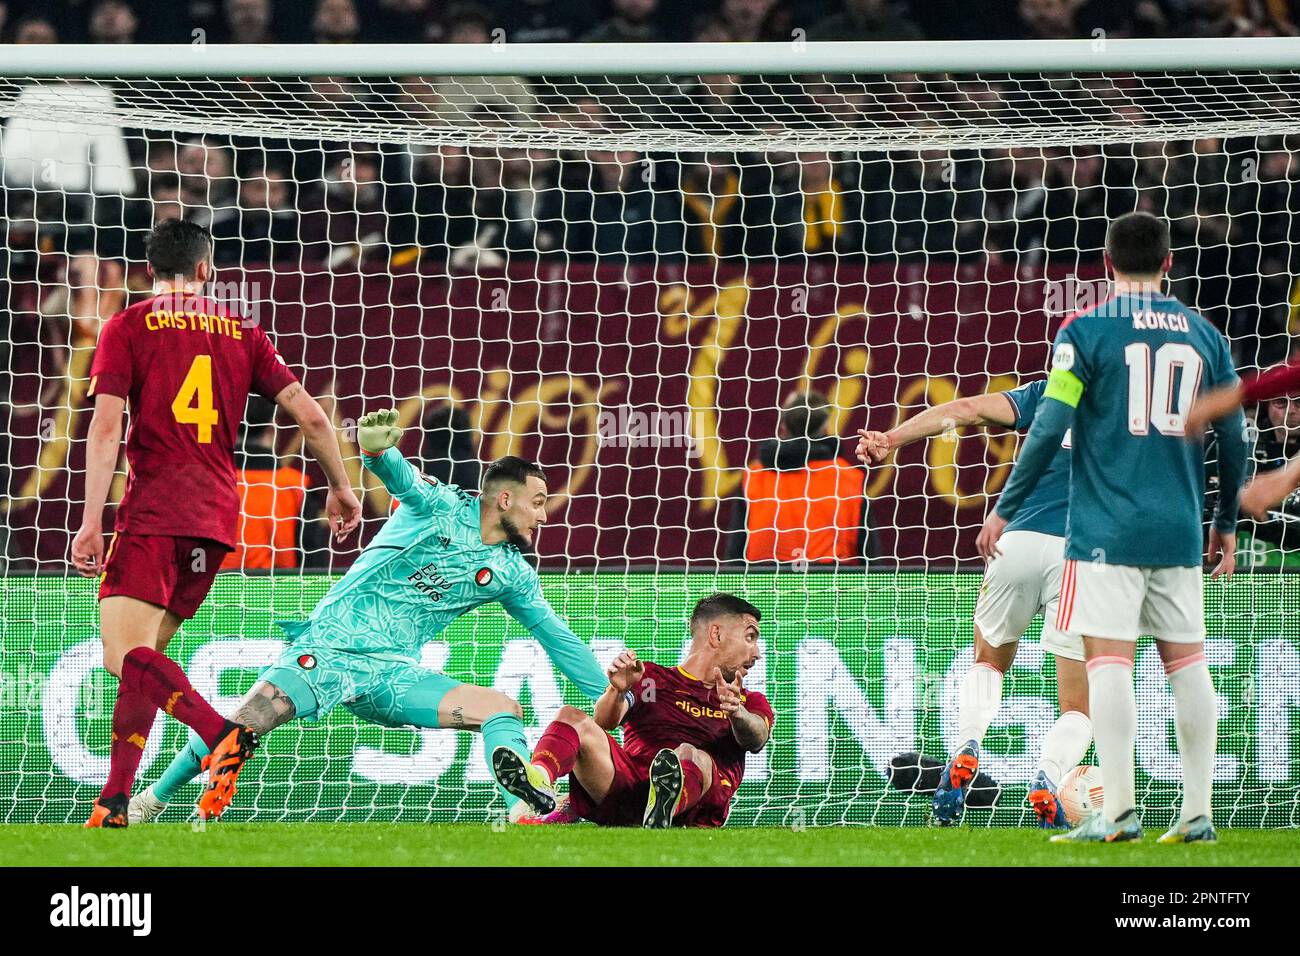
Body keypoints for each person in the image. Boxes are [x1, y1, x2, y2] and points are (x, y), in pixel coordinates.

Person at [130, 410, 610, 824]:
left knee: (503, 709)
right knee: (247, 722)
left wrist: (620, 701)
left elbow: (559, 640)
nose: (545, 516)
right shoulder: (440, 506)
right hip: (330, 647)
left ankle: (522, 811)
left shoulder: (510, 573)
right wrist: (379, 455)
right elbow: (403, 479)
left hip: (393, 675)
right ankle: (151, 801)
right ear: (505, 499)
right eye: (538, 502)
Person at [71, 219, 361, 827]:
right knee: (146, 661)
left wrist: (91, 519)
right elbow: (311, 416)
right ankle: (114, 801)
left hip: (155, 510)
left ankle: (219, 737)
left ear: (151, 273)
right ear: (206, 271)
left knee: (121, 657)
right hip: (216, 519)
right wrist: (341, 486)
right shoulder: (243, 331)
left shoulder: (127, 325)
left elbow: (105, 428)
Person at [977, 211, 1248, 844]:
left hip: (1104, 532)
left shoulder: (1085, 331)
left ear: (1105, 263)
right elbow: (1234, 434)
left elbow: (1047, 427)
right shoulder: (1204, 334)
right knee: (1187, 663)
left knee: (1109, 665)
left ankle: (1119, 813)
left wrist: (1007, 505)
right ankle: (1196, 813)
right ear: (1169, 264)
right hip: (1180, 527)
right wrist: (1226, 521)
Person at [857, 379, 1092, 828]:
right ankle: (1050, 777)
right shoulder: (1141, 411)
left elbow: (965, 409)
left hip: (1017, 540)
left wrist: (891, 439)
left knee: (988, 662)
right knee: (1079, 706)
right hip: (1083, 553)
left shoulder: (1052, 390)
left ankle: (966, 746)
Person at [491, 593, 772, 828]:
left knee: (688, 753)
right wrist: (617, 689)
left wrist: (737, 713)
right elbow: (604, 721)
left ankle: (664, 807)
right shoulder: (650, 678)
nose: (757, 652)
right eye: (750, 637)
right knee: (570, 716)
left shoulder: (749, 701)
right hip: (630, 790)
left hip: (694, 804)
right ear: (716, 634)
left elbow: (756, 737)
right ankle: (539, 781)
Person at [731, 390, 872, 564]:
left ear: (783, 427)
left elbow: (735, 553)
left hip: (764, 584)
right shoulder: (849, 477)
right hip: (832, 584)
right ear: (825, 427)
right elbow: (871, 553)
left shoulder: (753, 476)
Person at [221, 397, 310, 571]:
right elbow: (316, 569)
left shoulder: (206, 484)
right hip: (282, 594)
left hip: (213, 594)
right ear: (273, 427)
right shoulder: (296, 486)